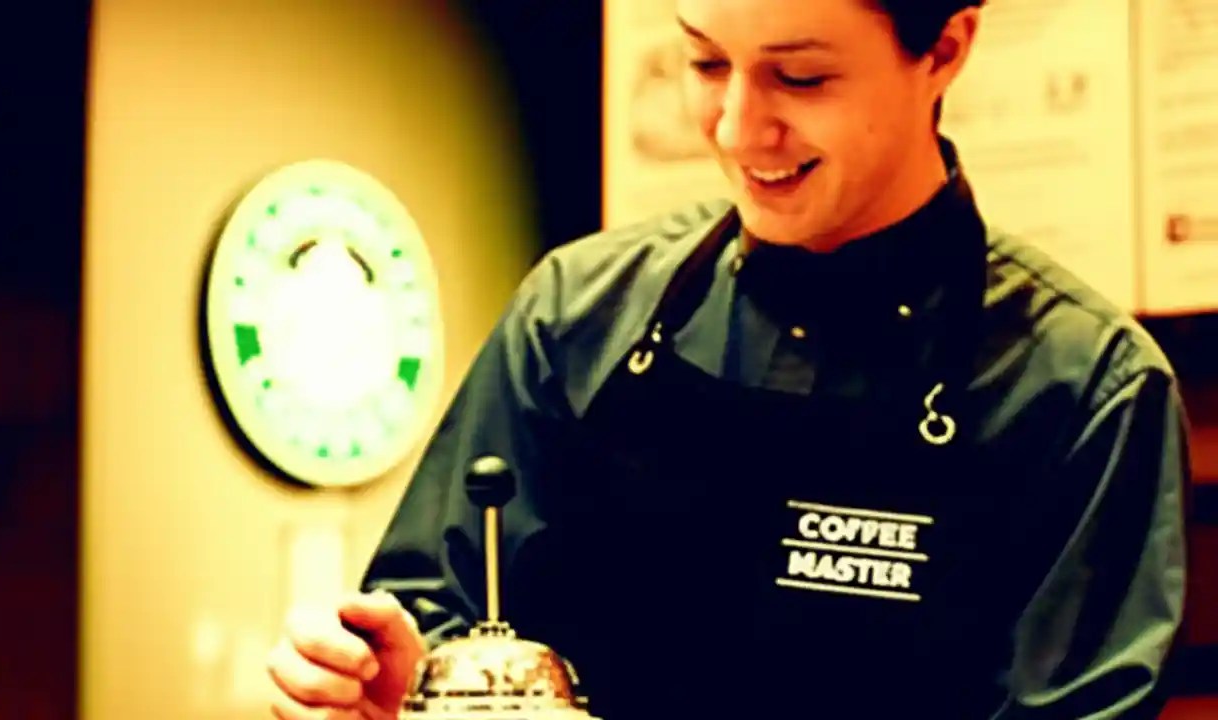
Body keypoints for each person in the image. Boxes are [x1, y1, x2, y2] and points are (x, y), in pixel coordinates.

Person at [267, 0, 1192, 717]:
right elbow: (434, 612)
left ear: (946, 49)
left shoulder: (1084, 394)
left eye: (800, 78)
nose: (738, 129)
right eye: (706, 62)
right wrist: (400, 685)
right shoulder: (576, 317)